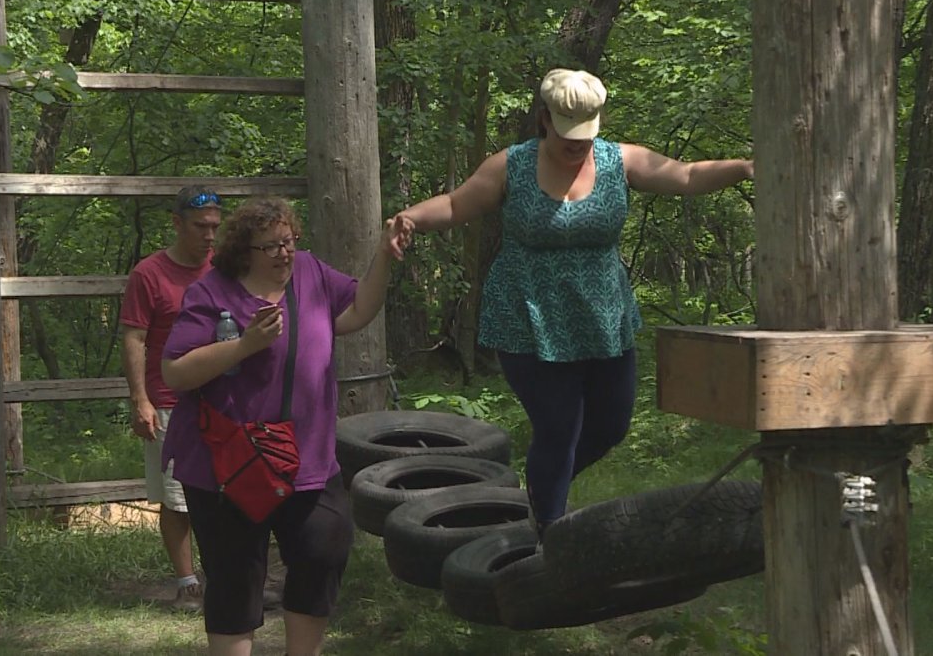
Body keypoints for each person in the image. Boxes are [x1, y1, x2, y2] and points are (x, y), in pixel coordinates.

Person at [386, 68, 754, 540]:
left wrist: (744, 166)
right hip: (528, 318)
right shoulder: (511, 166)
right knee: (558, 427)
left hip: (603, 318)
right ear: (544, 119)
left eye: (586, 132)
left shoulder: (620, 161)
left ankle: (540, 488)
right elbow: (458, 206)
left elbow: (683, 176)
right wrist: (411, 218)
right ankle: (550, 533)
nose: (576, 144)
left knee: (611, 424)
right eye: (567, 133)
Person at [160, 196, 399, 656]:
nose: (283, 253)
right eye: (269, 246)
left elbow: (355, 313)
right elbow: (175, 372)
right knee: (235, 578)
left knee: (324, 551)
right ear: (243, 252)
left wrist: (384, 257)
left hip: (306, 458)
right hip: (226, 467)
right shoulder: (212, 292)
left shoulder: (311, 272)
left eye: (287, 241)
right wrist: (244, 345)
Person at [121, 185, 222, 611]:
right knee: (179, 495)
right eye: (201, 226)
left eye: (216, 227)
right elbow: (135, 336)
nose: (209, 235)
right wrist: (140, 399)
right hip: (169, 399)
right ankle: (187, 583)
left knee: (228, 492)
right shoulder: (150, 274)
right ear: (177, 223)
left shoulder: (224, 269)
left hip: (222, 396)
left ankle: (230, 577)